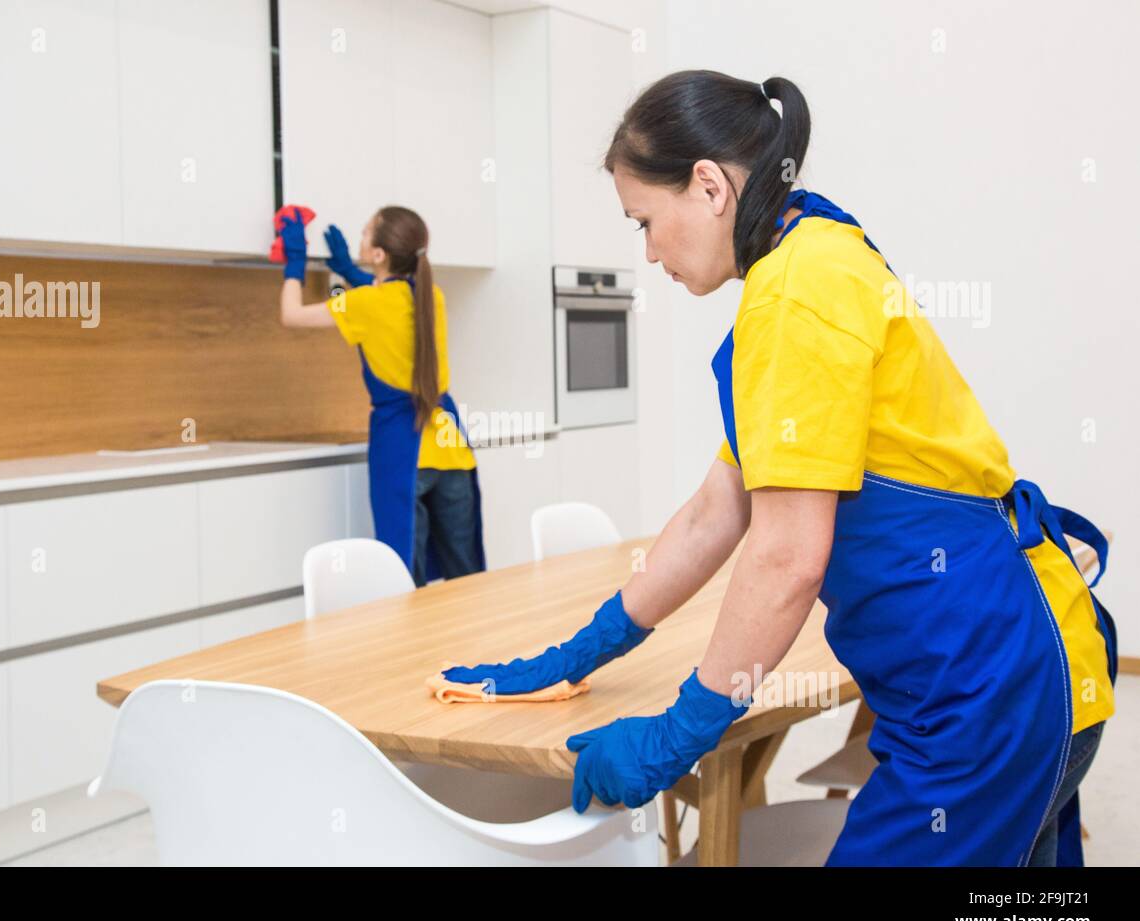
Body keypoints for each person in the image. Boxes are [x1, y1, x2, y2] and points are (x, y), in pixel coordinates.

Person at [442, 70, 1117, 866]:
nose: (650, 250)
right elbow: (717, 509)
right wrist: (584, 651)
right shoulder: (815, 254)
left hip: (983, 690)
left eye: (645, 222)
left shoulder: (795, 292)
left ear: (707, 185)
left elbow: (787, 556)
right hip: (1020, 666)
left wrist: (685, 726)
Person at [278, 205, 485, 587]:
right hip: (451, 447)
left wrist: (294, 262)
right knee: (466, 582)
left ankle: (416, 650)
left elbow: (291, 315)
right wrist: (347, 269)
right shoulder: (430, 297)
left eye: (364, 233)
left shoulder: (363, 305)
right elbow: (385, 298)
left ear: (378, 254)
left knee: (404, 579)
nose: (359, 239)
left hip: (403, 450)